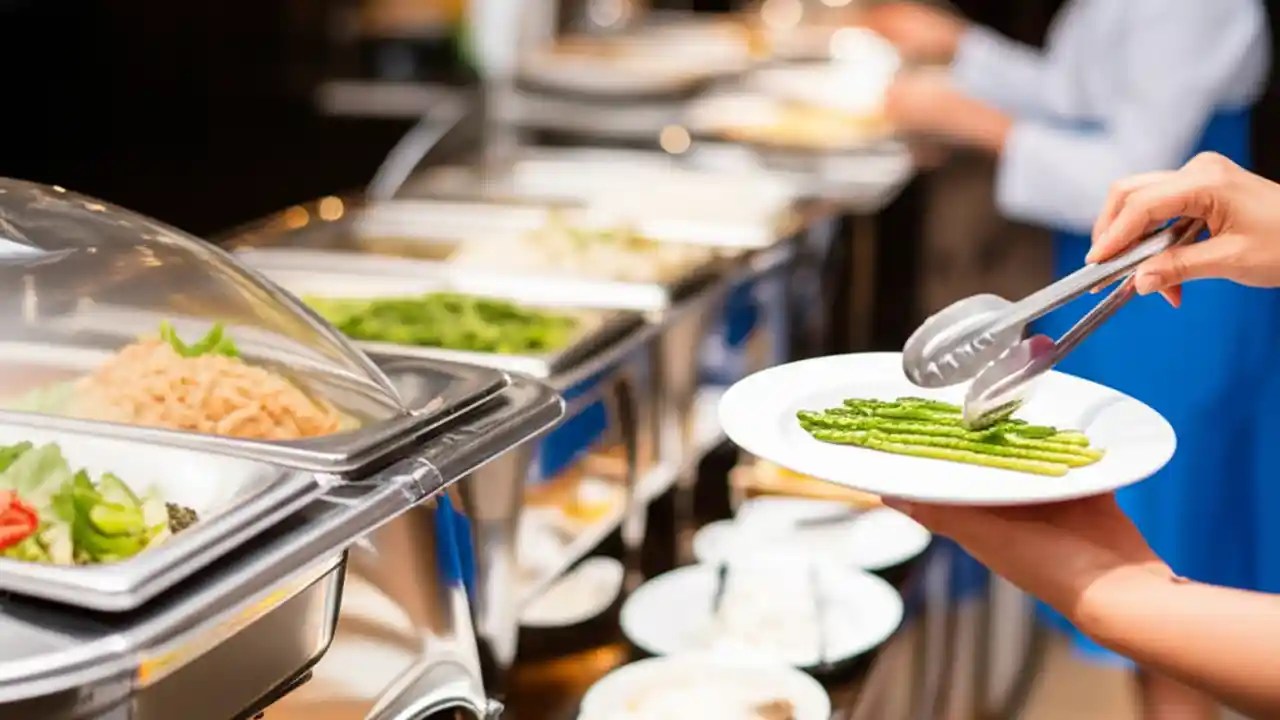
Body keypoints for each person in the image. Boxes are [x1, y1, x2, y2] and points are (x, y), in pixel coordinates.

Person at [863, 3, 1276, 717]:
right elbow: (1076, 92)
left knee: (1180, 549)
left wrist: (969, 119)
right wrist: (965, 47)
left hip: (1193, 284)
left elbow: (1127, 167)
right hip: (1110, 271)